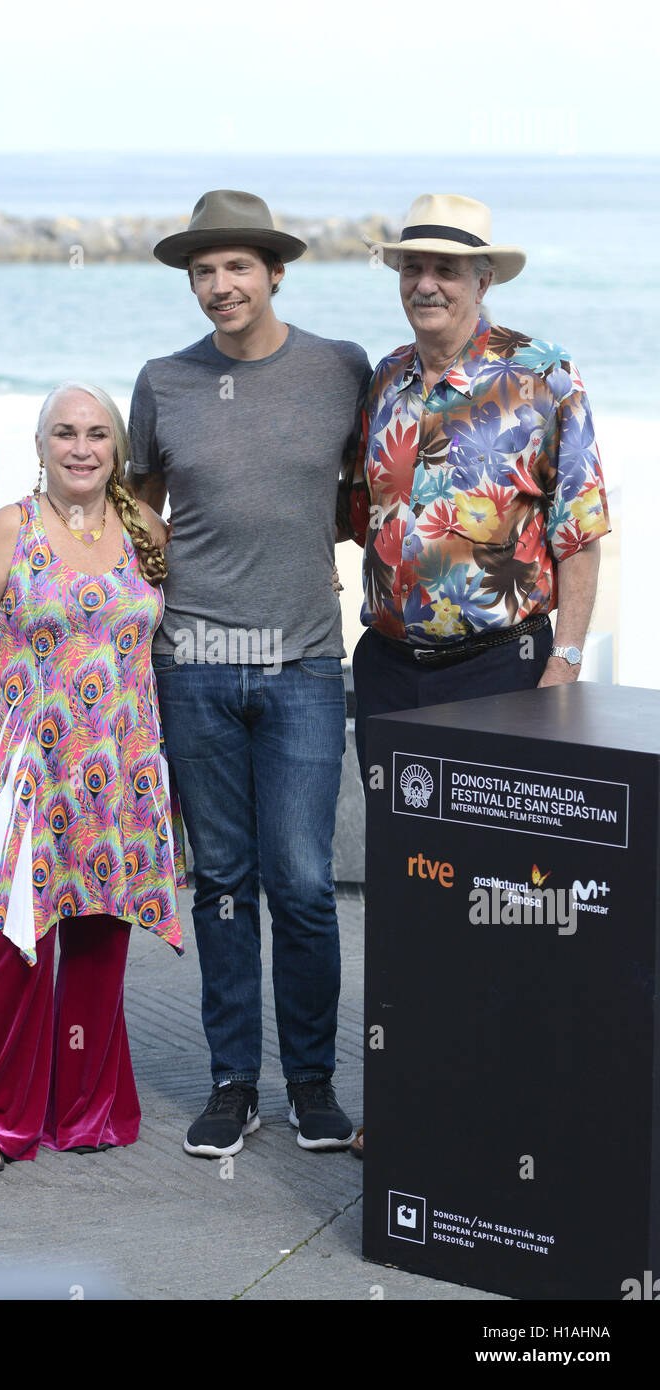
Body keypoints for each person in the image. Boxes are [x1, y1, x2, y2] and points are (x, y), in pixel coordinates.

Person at [348, 193, 610, 1155]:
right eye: (413, 268)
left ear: (483, 280)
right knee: (407, 889)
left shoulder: (544, 377)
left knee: (499, 892)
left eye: (446, 270)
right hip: (387, 673)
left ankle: (503, 1099)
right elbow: (354, 514)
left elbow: (580, 531)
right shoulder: (381, 384)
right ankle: (405, 1095)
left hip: (501, 672)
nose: (426, 283)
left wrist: (567, 662)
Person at [126, 189, 371, 1157]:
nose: (219, 285)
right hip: (193, 664)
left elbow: (370, 485)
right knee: (222, 878)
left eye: (236, 267)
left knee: (304, 881)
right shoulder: (163, 382)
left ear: (275, 272)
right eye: (202, 271)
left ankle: (310, 1080)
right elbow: (141, 505)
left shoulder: (338, 370)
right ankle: (235, 1079)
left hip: (306, 661)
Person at [0, 383, 184, 1171]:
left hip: (119, 768)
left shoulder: (146, 529)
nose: (81, 447)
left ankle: (86, 1108)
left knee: (102, 934)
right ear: (40, 445)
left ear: (118, 448)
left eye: (97, 433)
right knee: (18, 940)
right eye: (65, 433)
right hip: (25, 771)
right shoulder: (11, 527)